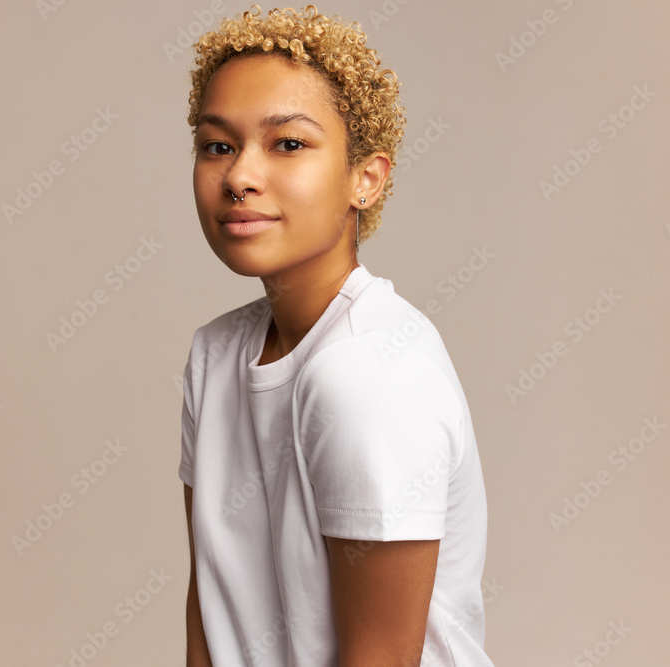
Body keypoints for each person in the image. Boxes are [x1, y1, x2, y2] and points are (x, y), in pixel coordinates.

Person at [178, 5, 493, 665]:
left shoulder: (370, 376)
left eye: (288, 143)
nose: (239, 177)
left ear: (365, 179)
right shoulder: (215, 355)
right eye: (218, 145)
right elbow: (211, 605)